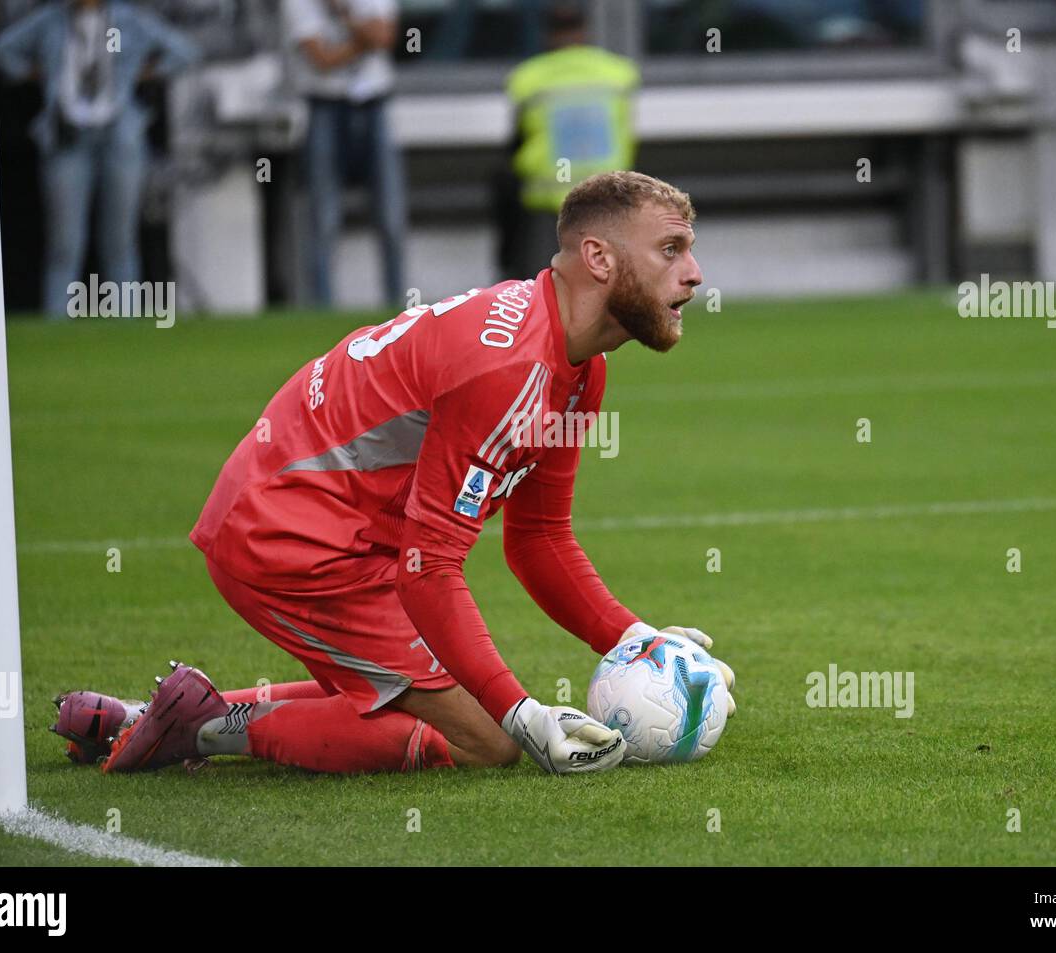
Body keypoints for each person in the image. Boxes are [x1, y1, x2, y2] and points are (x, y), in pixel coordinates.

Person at [52, 171, 736, 776]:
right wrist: (522, 714)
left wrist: (636, 641)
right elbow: (430, 567)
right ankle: (203, 731)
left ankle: (148, 715)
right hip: (291, 532)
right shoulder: (509, 367)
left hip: (339, 528)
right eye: (672, 249)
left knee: (434, 699)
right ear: (599, 257)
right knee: (485, 741)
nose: (695, 272)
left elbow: (540, 539)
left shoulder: (580, 370)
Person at [0, 0, 200, 316]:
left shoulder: (128, 20)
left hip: (119, 134)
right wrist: (41, 73)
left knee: (120, 238)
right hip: (67, 135)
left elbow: (185, 51)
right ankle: (56, 326)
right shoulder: (50, 21)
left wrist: (143, 73)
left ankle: (125, 324)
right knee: (65, 241)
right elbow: (2, 50)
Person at [498, 3, 639, 279]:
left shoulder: (528, 78)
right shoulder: (618, 73)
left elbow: (516, 144)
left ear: (547, 33)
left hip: (546, 202)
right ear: (585, 30)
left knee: (541, 288)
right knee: (607, 282)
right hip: (606, 197)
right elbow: (626, 132)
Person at [282, 0, 406, 307]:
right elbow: (320, 59)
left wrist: (343, 12)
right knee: (323, 217)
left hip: (374, 105)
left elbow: (386, 38)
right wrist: (365, 37)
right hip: (325, 107)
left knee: (391, 215)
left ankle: (397, 306)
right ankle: (322, 307)